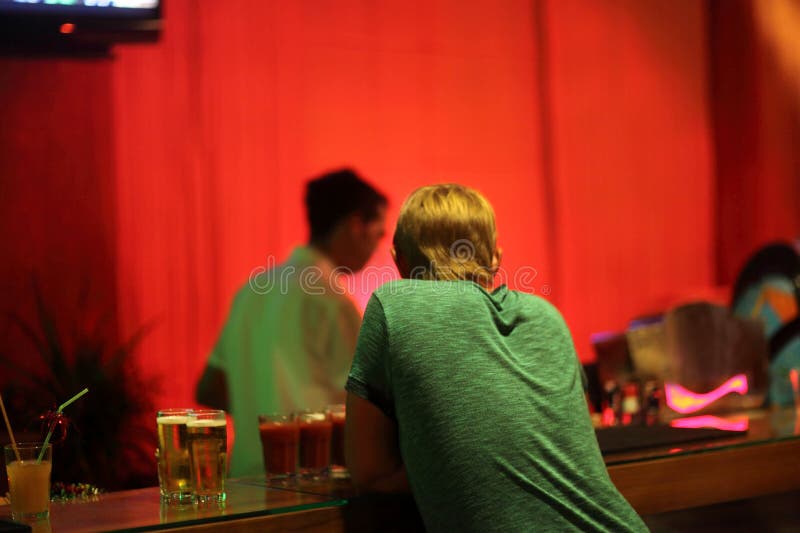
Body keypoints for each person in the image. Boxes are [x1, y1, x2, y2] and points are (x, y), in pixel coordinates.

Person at [345, 184, 647, 532]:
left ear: (398, 259)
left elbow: (369, 472)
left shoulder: (394, 305)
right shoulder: (547, 316)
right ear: (496, 258)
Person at [197, 168, 387, 478]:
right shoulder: (333, 301)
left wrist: (259, 404)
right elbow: (367, 408)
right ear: (355, 226)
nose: (377, 248)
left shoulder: (251, 291)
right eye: (378, 234)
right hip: (308, 484)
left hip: (244, 482)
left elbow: (209, 388)